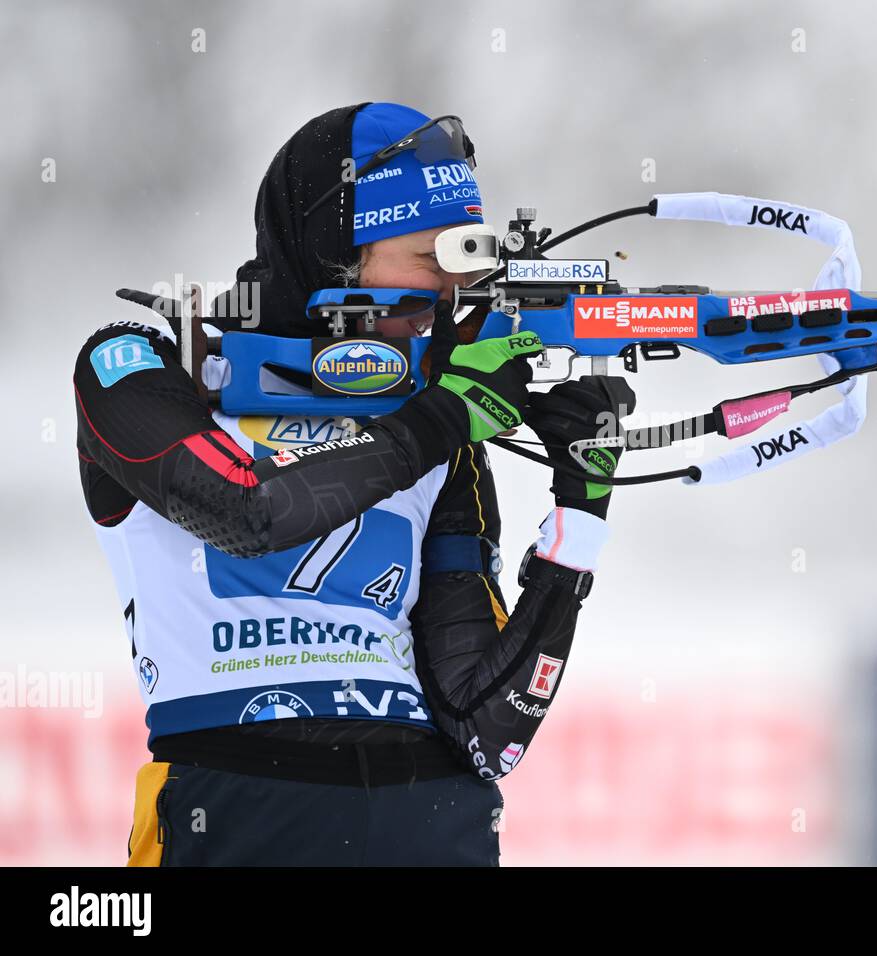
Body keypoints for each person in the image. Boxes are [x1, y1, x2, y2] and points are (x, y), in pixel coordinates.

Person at [73, 102, 635, 865]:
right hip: (236, 810)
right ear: (334, 251)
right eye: (426, 261)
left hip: (436, 820)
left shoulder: (432, 411)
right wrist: (441, 419)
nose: (446, 297)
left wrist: (582, 499)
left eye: (462, 265)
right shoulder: (146, 364)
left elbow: (488, 732)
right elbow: (244, 509)